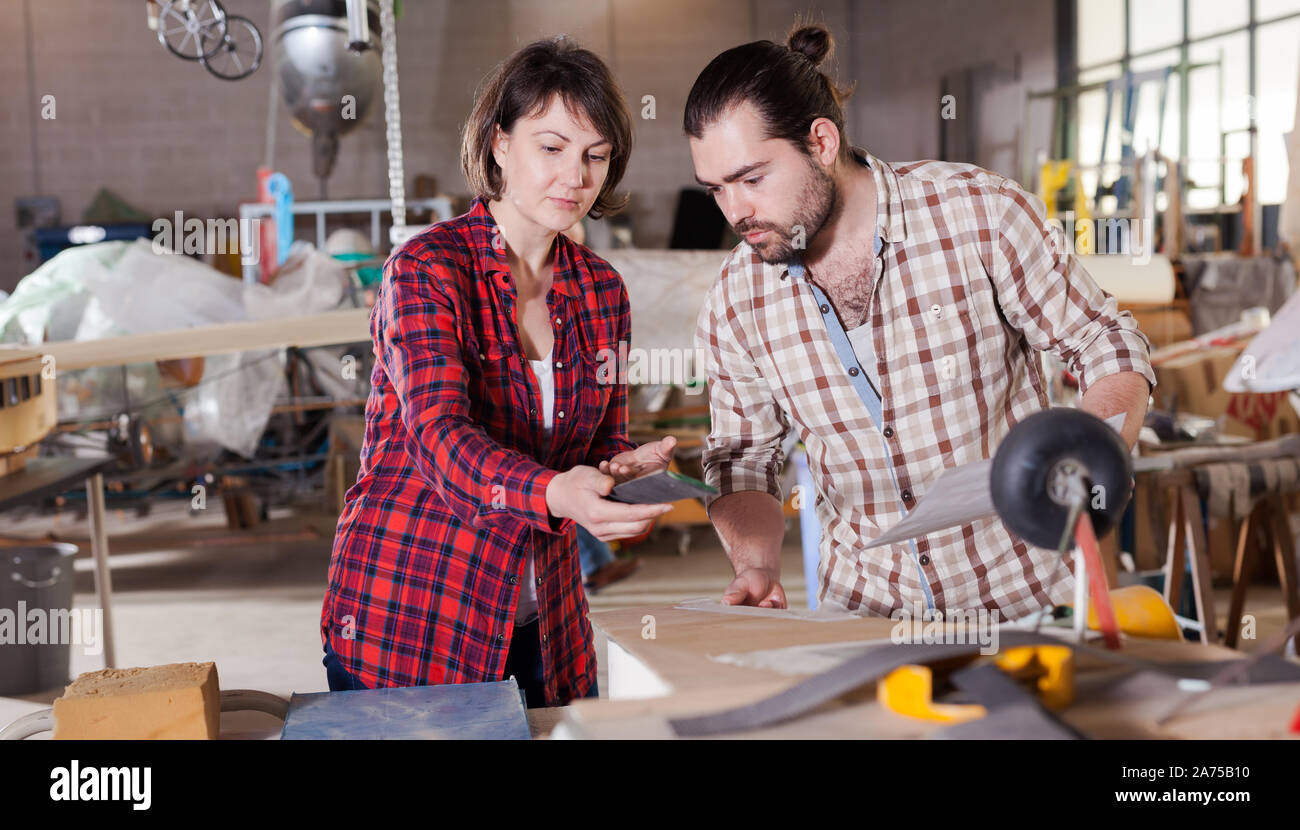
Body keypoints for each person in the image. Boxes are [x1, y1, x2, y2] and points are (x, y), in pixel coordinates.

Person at [685, 24, 1155, 621]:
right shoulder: (736, 299)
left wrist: (1095, 453)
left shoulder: (979, 213)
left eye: (752, 179)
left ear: (821, 142)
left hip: (1027, 603)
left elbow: (1105, 341)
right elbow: (743, 459)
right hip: (865, 620)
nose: (736, 211)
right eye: (716, 190)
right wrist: (754, 564)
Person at [321, 36, 676, 707]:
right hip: (413, 619)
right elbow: (440, 439)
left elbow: (601, 438)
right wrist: (556, 493)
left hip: (547, 627)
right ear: (499, 143)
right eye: (552, 147)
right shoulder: (426, 270)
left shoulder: (602, 290)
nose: (576, 176)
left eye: (595, 155)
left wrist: (623, 475)